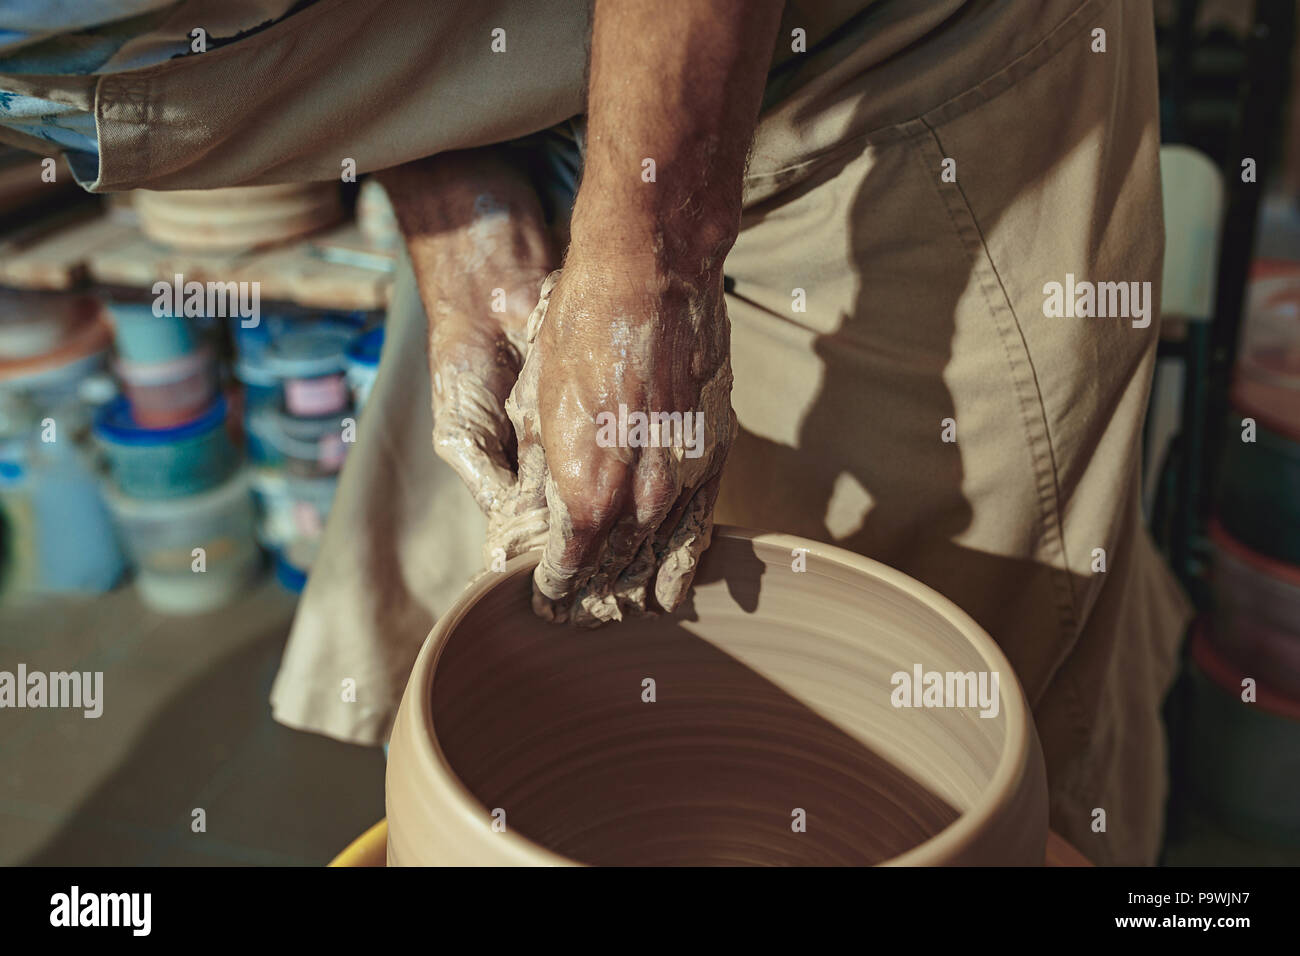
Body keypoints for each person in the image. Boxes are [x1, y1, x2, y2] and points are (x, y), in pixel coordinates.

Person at [1, 0, 1189, 865]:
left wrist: (657, 248)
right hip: (520, 80)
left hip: (855, 86)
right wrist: (454, 206)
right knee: (520, 623)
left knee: (947, 698)